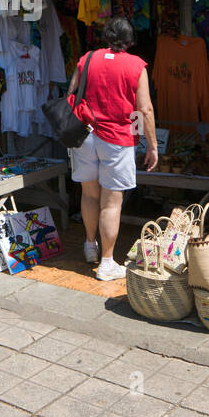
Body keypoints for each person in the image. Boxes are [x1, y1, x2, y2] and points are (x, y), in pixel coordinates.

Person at [66, 17, 158, 281]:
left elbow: (71, 95)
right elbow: (145, 109)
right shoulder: (136, 65)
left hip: (85, 135)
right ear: (130, 40)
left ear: (106, 36)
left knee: (89, 194)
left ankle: (89, 244)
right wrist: (152, 145)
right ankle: (107, 263)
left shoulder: (87, 59)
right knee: (111, 202)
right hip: (117, 138)